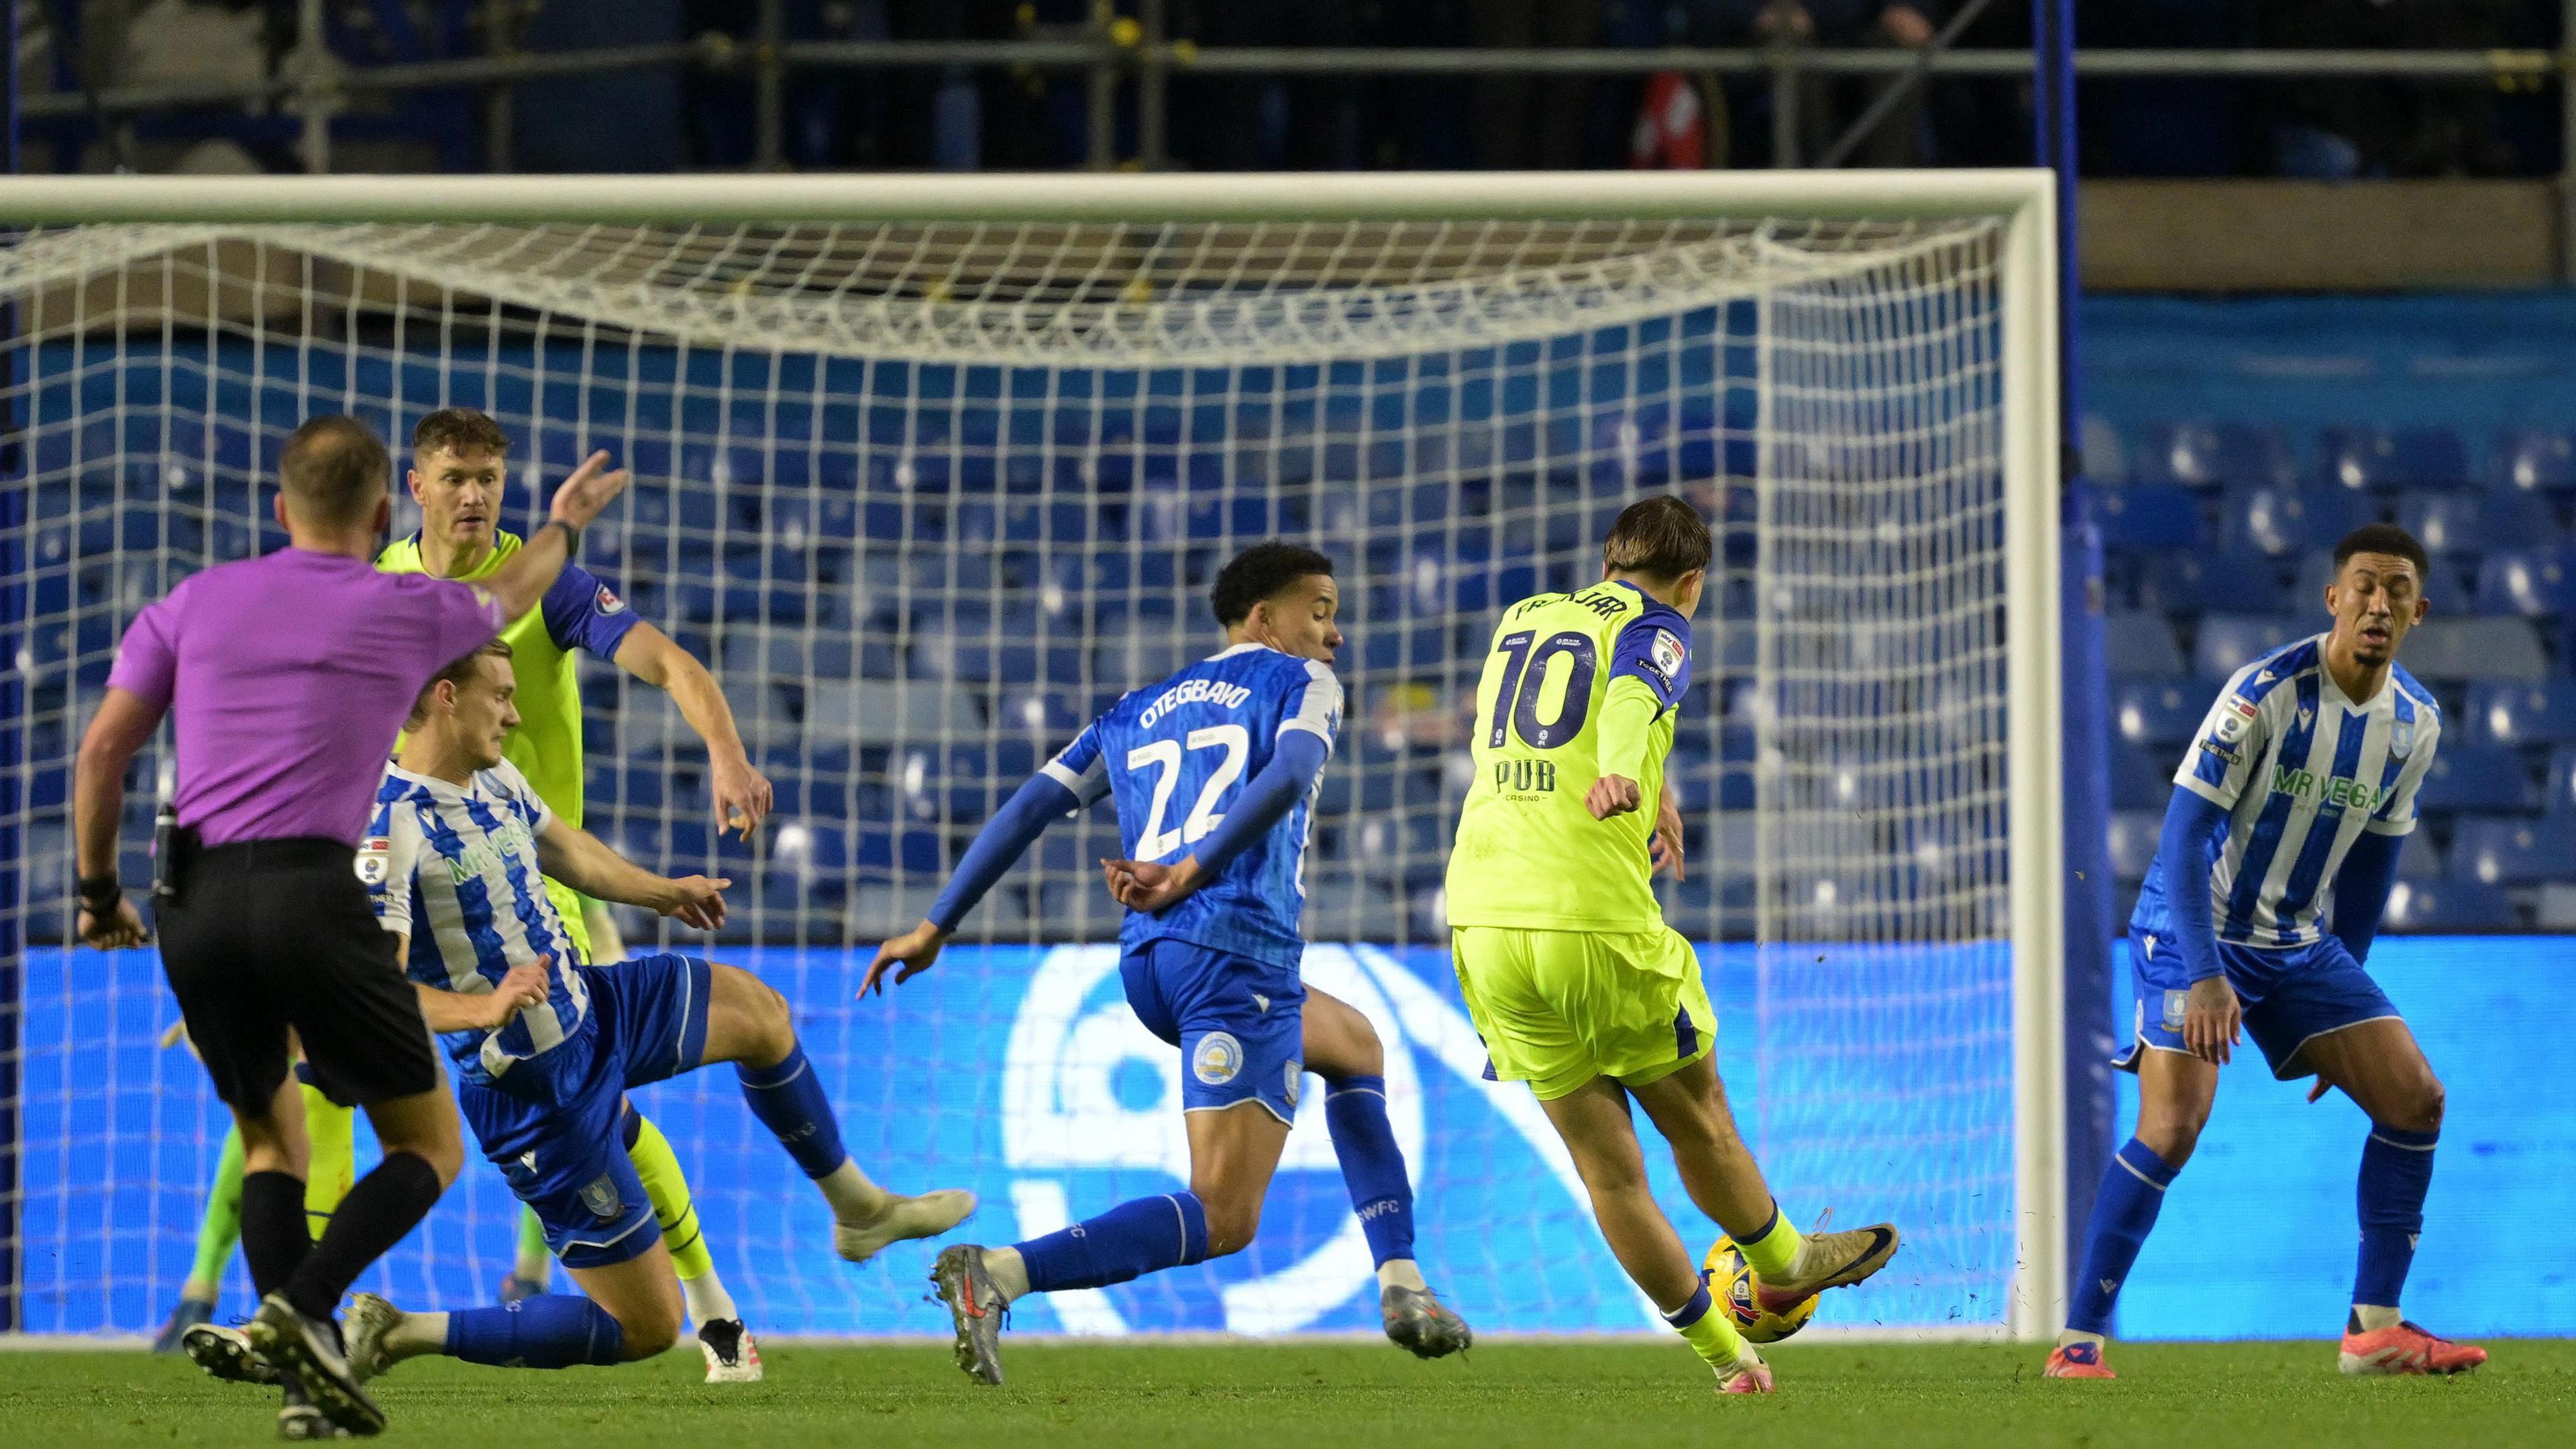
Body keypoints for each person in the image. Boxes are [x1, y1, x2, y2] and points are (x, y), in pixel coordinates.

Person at [164, 405, 771, 1381]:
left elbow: (665, 662)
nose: (475, 493)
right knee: (319, 1090)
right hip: (400, 882)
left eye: (489, 475)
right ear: (414, 488)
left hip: (547, 896)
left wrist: (727, 751)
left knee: (594, 1116)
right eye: (455, 476)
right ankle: (290, 1318)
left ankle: (708, 1311)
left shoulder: (548, 588)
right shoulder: (379, 597)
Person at [74, 414, 625, 1437]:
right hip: (311, 893)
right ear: (384, 514)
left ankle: (303, 1390)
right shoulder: (401, 605)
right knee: (429, 1146)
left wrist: (99, 895)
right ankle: (305, 1306)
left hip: (188, 898)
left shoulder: (191, 601)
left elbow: (104, 751)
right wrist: (561, 524)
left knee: (272, 1145)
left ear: (281, 512)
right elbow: (513, 592)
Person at [867, 542, 1473, 1385]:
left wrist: (937, 923)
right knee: (1224, 1217)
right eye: (1321, 611)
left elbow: (1030, 806)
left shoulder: (1137, 706)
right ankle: (999, 1275)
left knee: (1356, 1043)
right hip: (1233, 952)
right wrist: (1197, 865)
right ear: (1264, 618)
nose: (1334, 634)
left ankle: (1402, 1280)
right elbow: (1293, 772)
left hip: (1150, 960)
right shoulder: (1300, 683)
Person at [322, 640, 972, 1382]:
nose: (514, 712)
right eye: (499, 696)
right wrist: (481, 1012)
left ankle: (860, 1211)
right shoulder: (388, 825)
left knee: (761, 1015)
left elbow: (567, 850)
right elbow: (378, 991)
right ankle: (401, 1331)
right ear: (444, 697)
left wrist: (662, 891)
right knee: (647, 1328)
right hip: (536, 1091)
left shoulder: (494, 776)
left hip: (596, 1008)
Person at [1444, 496, 1902, 1396]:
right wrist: (1623, 768)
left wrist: (1652, 787)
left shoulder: (1525, 618)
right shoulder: (1661, 628)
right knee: (1699, 1119)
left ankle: (1730, 1363)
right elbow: (1624, 697)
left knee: (1607, 1172)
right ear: (1692, 583)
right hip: (1590, 921)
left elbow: (1532, 730)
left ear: (1609, 561)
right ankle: (1785, 1259)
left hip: (1482, 916)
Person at [2051, 523, 2485, 1380]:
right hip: (2192, 931)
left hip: (2299, 945)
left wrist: (2344, 1010)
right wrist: (2208, 977)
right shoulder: (2264, 693)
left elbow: (2371, 866)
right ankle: (2079, 1341)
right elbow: (2182, 837)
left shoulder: (2415, 723)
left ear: (2418, 612)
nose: (2378, 603)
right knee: (2174, 1127)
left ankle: (2374, 1331)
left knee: (2415, 1101)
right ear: (2333, 598)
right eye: (2363, 584)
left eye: (2397, 590)